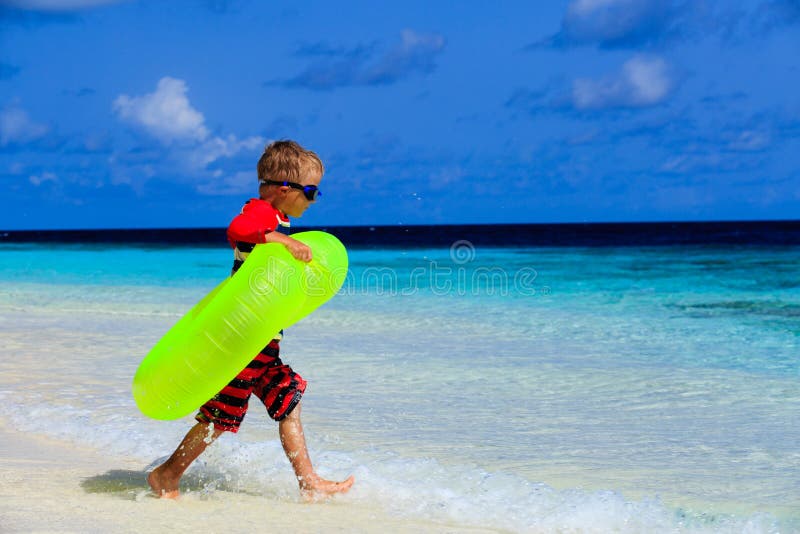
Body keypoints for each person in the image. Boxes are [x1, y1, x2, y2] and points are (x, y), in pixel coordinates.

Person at [147, 140, 354, 500]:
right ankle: (167, 475)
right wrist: (284, 242)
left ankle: (309, 484)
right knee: (219, 416)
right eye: (310, 191)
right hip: (243, 340)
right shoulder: (259, 214)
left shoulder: (274, 220)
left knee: (288, 401)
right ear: (282, 189)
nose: (314, 199)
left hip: (262, 339)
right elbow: (238, 229)